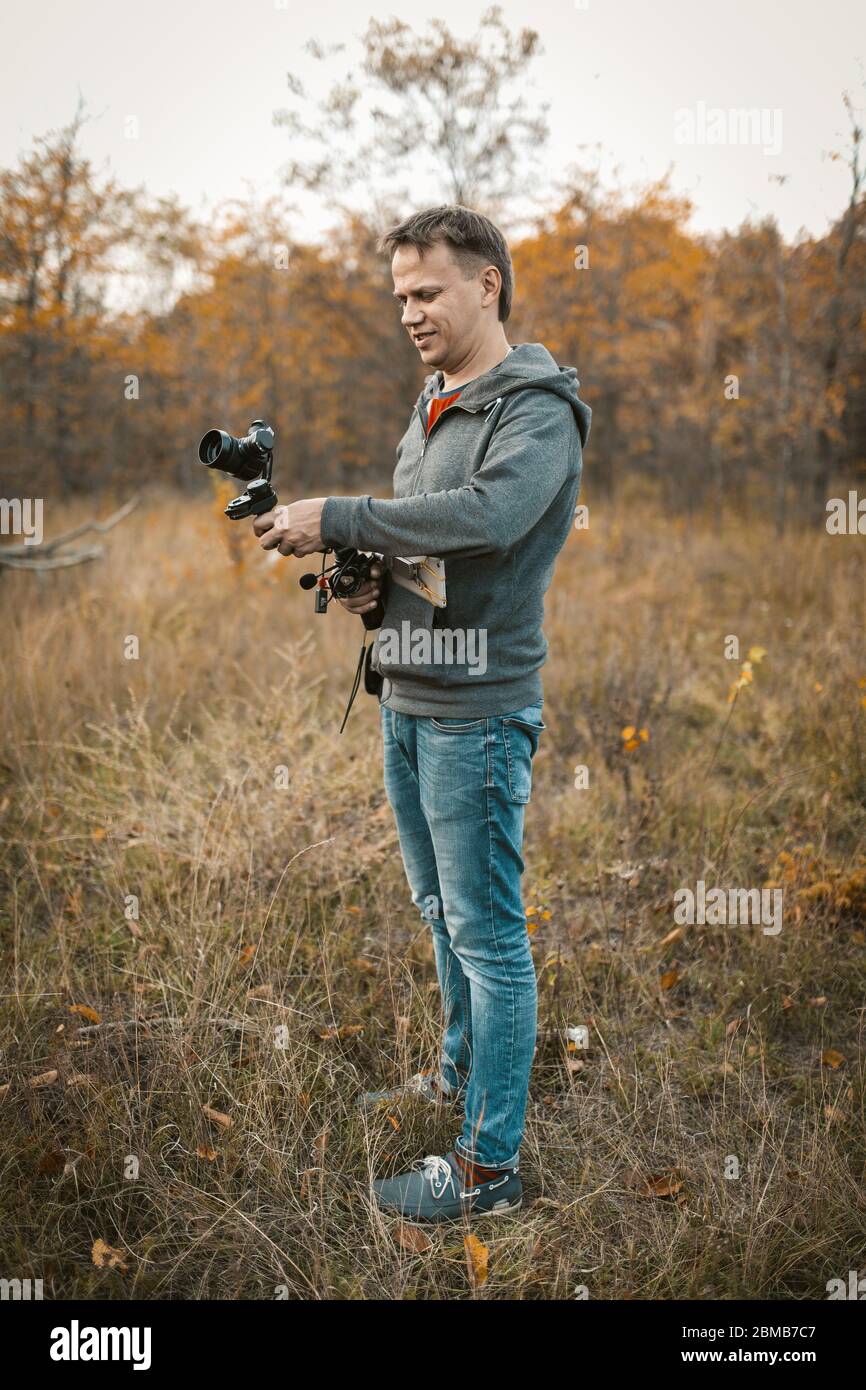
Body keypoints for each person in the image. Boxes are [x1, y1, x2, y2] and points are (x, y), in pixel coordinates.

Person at [252, 204, 591, 1223]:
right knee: (439, 916)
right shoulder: (434, 396)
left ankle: (488, 1168)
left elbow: (487, 518)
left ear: (487, 283)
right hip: (407, 687)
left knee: (489, 939)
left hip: (475, 714)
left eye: (427, 291)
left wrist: (338, 514)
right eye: (399, 294)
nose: (408, 311)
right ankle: (455, 1079)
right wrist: (370, 588)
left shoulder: (534, 408)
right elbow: (430, 555)